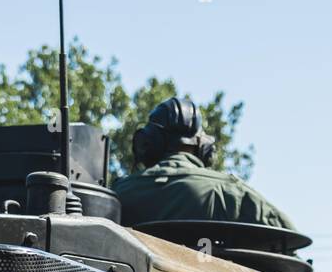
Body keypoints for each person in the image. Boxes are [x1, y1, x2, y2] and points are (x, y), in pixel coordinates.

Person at [113, 97, 296, 229]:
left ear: (147, 144)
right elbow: (287, 236)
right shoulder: (228, 192)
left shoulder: (119, 193)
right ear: (204, 147)